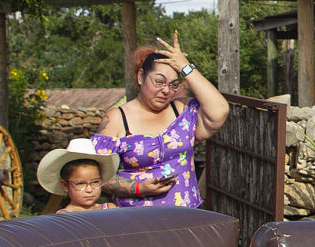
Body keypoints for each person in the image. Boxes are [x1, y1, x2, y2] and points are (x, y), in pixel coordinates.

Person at [92, 34, 230, 208]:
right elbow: (95, 175)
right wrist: (137, 188)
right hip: (136, 223)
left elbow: (220, 109)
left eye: (173, 85)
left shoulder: (182, 112)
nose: (166, 90)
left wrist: (185, 67)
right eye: (159, 82)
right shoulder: (117, 119)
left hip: (185, 219)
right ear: (141, 77)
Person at [39, 139, 118, 213]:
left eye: (95, 182)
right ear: (65, 185)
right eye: (80, 184)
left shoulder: (110, 209)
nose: (89, 190)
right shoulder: (65, 217)